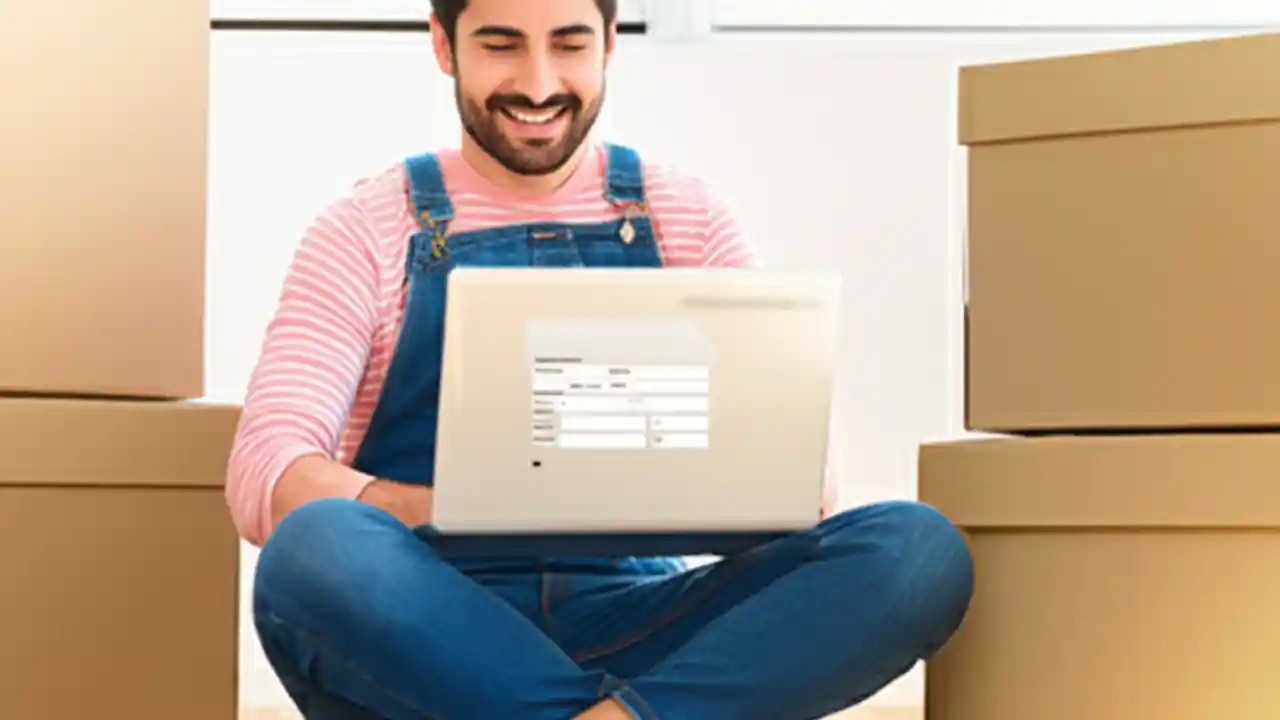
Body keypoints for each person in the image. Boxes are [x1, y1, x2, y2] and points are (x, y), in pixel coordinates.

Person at [225, 0, 974, 718]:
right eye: (501, 44)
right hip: (427, 627)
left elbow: (806, 493)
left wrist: (713, 499)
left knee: (915, 551)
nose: (540, 83)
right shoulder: (367, 228)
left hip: (638, 622)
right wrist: (457, 510)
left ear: (610, 42)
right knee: (318, 549)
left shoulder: (687, 216)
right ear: (443, 44)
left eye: (570, 43)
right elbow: (266, 472)